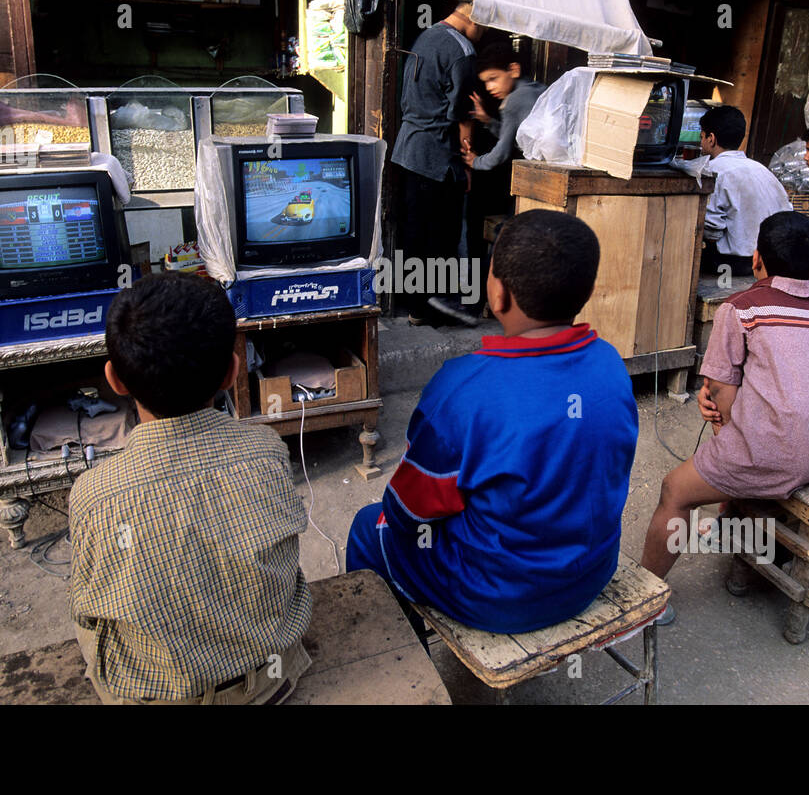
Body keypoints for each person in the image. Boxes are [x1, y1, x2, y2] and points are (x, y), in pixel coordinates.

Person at [345, 209, 639, 634]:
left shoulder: (463, 388)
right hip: (590, 575)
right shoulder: (610, 366)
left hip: (497, 597)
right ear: (587, 291)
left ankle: (403, 660)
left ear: (497, 295)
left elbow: (407, 510)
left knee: (367, 527)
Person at [69, 274, 311, 705]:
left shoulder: (94, 493)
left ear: (115, 379)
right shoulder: (267, 450)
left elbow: (88, 611)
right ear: (231, 373)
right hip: (271, 684)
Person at [640, 212, 809, 596]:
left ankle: (647, 594)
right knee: (748, 434)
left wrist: (725, 431)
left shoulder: (741, 307)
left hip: (768, 456)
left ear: (757, 258)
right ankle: (734, 542)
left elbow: (720, 389)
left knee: (675, 490)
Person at [391, 0, 486, 327]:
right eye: (483, 25)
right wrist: (468, 165)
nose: (481, 33)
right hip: (437, 157)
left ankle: (414, 308)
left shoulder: (425, 36)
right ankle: (432, 310)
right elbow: (462, 115)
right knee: (441, 236)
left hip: (408, 150)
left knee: (415, 231)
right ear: (472, 16)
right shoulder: (462, 51)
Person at [463, 39, 547, 288]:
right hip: (545, 177)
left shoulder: (515, 101)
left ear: (514, 69)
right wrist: (488, 120)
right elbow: (517, 139)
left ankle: (490, 297)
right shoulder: (534, 89)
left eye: (493, 78)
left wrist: (475, 161)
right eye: (486, 81)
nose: (489, 87)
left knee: (503, 237)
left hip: (535, 183)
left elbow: (500, 155)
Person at [699, 105, 792, 276]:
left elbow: (711, 231)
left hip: (733, 264)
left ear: (711, 139)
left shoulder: (712, 170)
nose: (701, 142)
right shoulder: (761, 169)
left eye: (702, 136)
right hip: (770, 260)